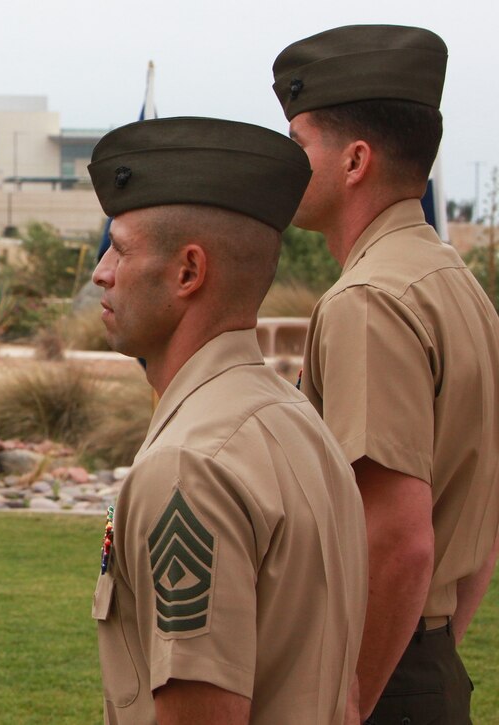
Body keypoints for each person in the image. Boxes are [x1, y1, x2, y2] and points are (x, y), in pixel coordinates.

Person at [88, 117, 368, 724]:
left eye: (121, 248)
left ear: (189, 272)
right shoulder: (299, 422)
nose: (101, 271)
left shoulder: (188, 464)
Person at [273, 25, 499, 723]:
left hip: (383, 679)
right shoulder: (454, 284)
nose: (285, 163)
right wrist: (430, 651)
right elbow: (482, 522)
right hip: (422, 665)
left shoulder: (369, 301)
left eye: (299, 141)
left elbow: (398, 537)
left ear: (354, 160)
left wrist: (350, 701)